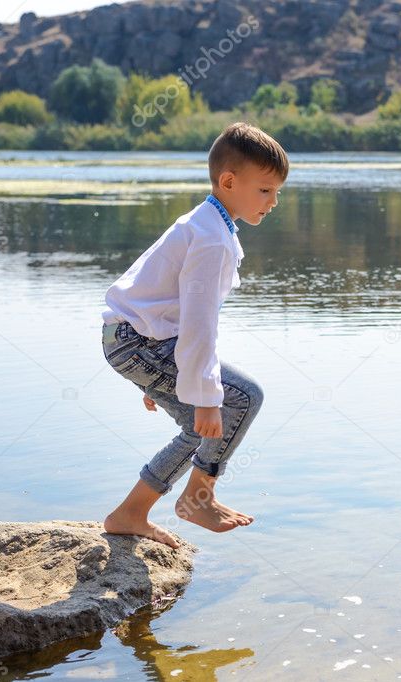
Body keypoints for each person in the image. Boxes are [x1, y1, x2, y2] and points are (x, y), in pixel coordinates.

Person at [99, 122, 288, 548]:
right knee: (243, 397)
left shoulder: (208, 224)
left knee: (198, 427)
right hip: (141, 341)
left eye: (277, 192)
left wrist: (162, 378)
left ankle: (130, 514)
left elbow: (170, 305)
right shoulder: (211, 239)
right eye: (265, 190)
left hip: (136, 340)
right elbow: (200, 322)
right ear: (228, 181)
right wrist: (203, 392)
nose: (274, 201)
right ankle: (199, 497)